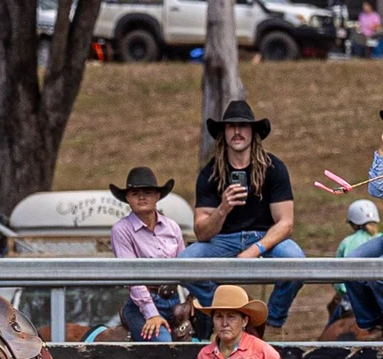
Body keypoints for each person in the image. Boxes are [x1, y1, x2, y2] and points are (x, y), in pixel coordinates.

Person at [179, 100, 305, 331]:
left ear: (253, 132)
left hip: (264, 236)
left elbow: (286, 223)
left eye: (243, 126)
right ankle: (221, 306)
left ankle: (271, 321)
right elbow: (202, 232)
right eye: (231, 127)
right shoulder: (210, 172)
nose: (237, 132)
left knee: (297, 261)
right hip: (222, 238)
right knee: (183, 264)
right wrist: (223, 208)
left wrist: (255, 249)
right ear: (223, 133)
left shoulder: (273, 167)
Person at [109, 167, 194, 341]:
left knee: (206, 339)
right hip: (142, 303)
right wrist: (151, 314)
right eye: (135, 193)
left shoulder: (172, 227)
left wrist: (191, 299)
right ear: (127, 199)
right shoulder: (122, 230)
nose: (141, 197)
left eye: (147, 192)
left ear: (157, 196)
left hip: (175, 300)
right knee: (163, 345)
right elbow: (132, 276)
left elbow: (185, 266)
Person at [332, 200, 383, 340]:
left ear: (353, 223)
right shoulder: (378, 237)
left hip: (351, 298)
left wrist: (340, 291)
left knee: (331, 323)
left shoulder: (348, 242)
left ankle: (372, 323)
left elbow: (339, 281)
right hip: (374, 291)